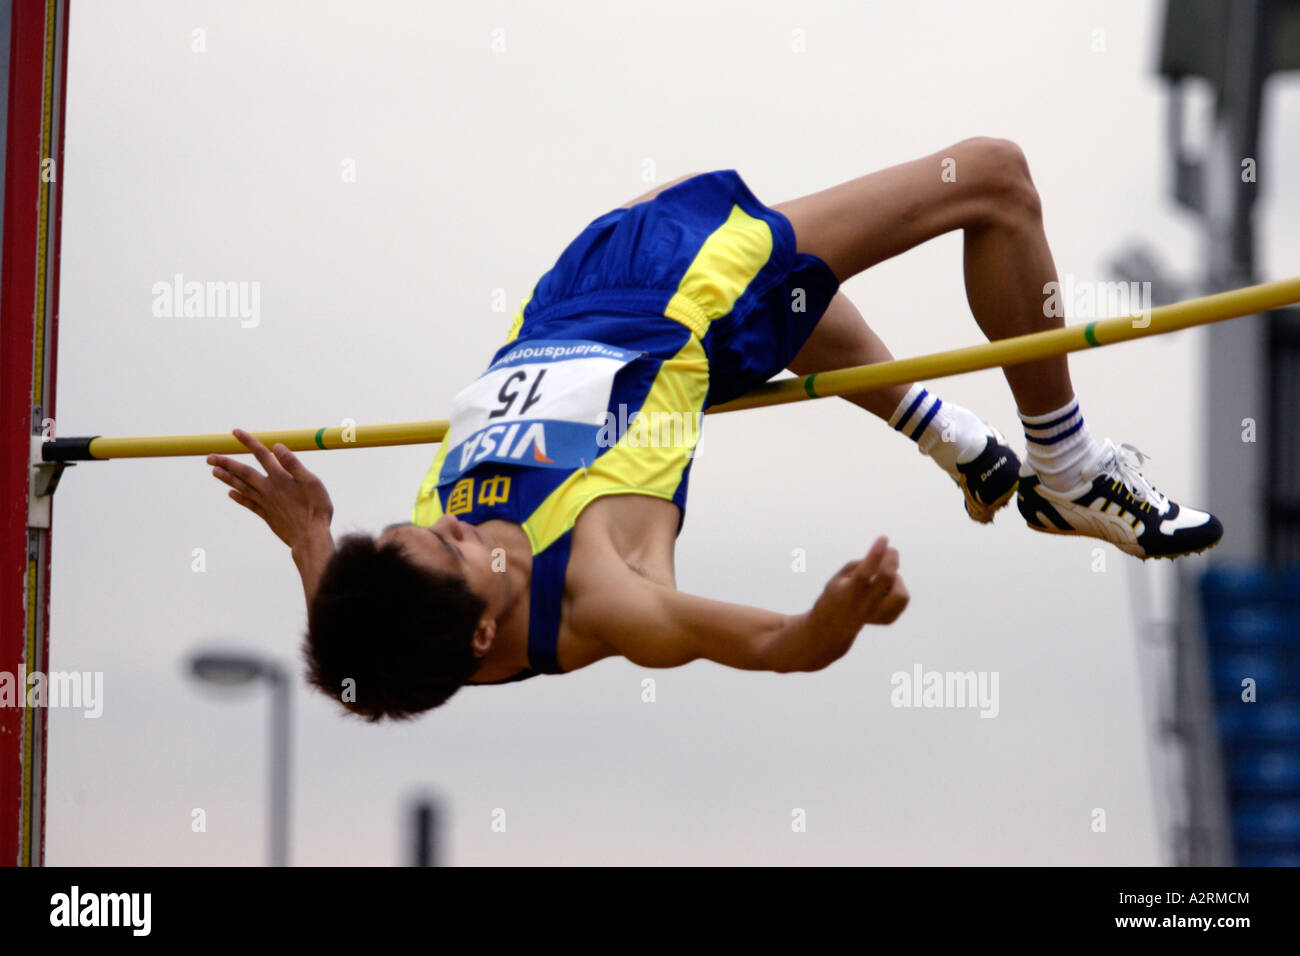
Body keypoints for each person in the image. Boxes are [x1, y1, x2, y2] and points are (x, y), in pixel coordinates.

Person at [207, 139, 1222, 720]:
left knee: (773, 287)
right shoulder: (608, 592)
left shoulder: (400, 624)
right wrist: (837, 613)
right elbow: (778, 646)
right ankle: (1068, 467)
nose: (454, 524)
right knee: (993, 181)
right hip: (675, 299)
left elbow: (354, 659)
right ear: (483, 636)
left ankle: (947, 434)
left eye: (416, 526)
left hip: (572, 296)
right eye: (455, 546)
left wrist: (308, 534)